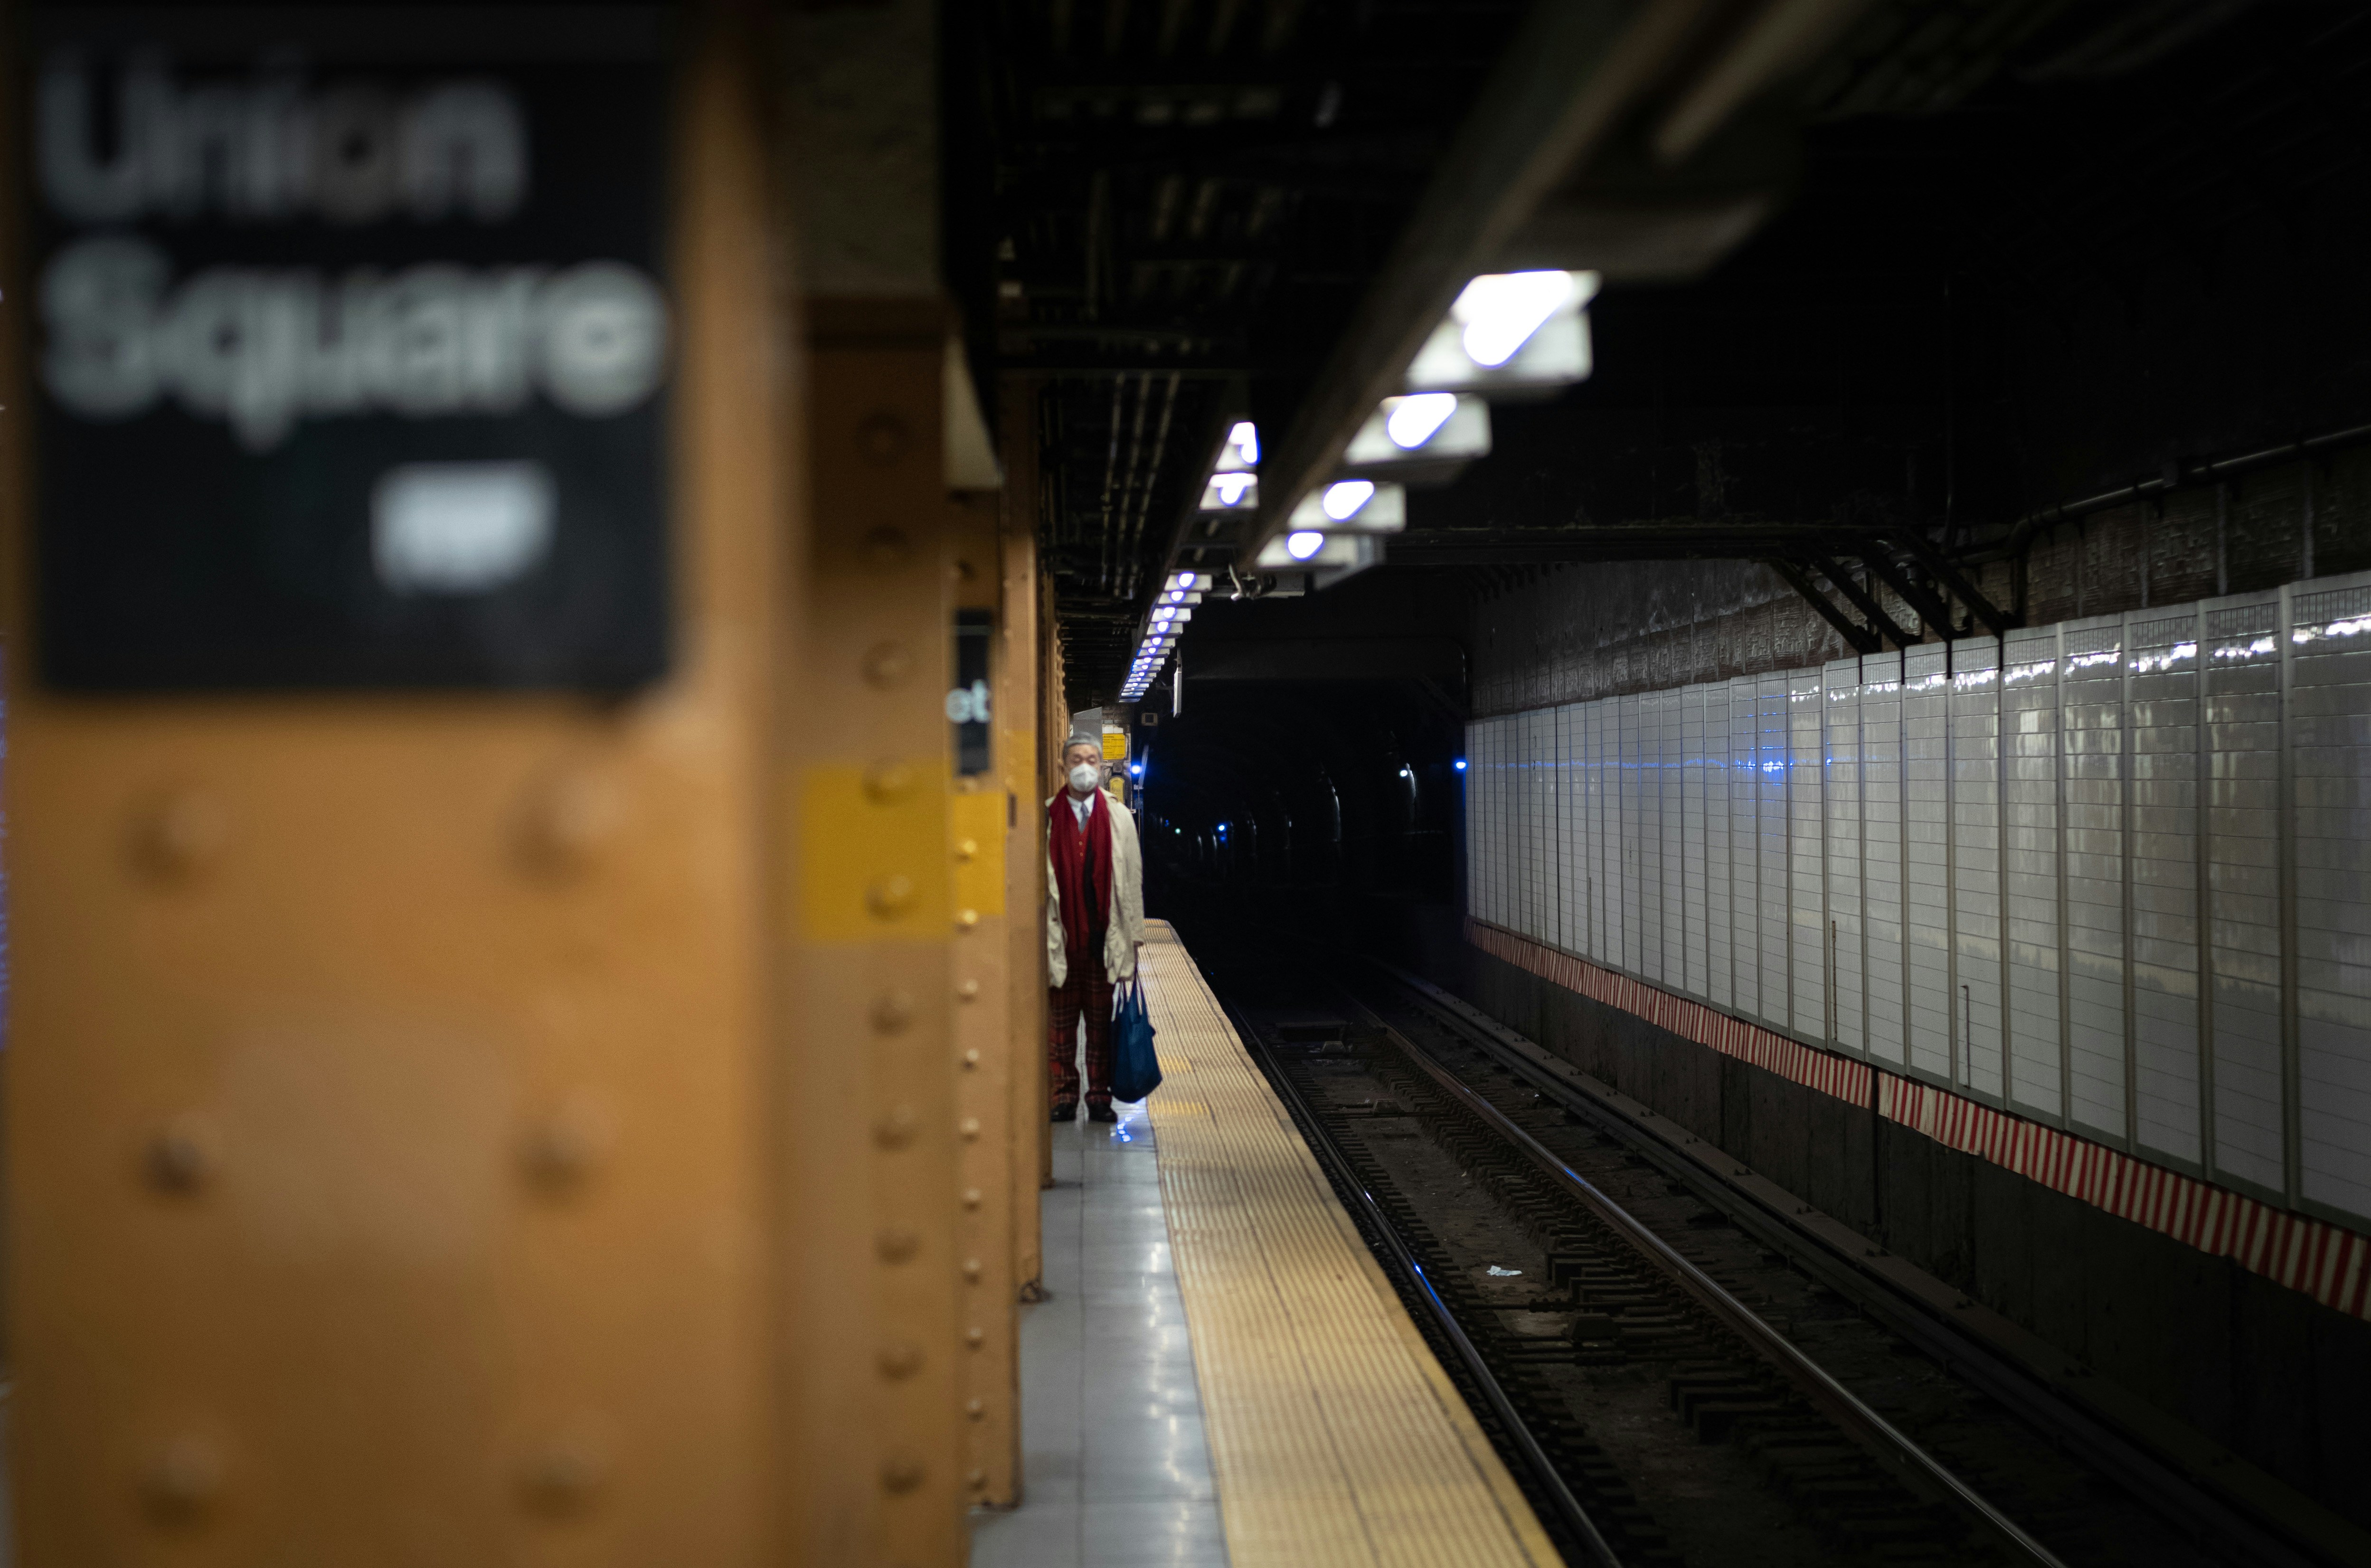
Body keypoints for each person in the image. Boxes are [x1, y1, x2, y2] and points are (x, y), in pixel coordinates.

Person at [1046, 734, 1145, 1123]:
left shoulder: (1119, 817)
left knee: (1102, 1027)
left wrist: (1134, 939)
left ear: (1102, 767)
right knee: (1061, 1028)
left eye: (1091, 760)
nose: (1084, 767)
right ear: (1063, 766)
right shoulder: (1048, 815)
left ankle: (1099, 1097)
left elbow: (1132, 880)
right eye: (1076, 759)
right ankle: (1064, 1095)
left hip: (1105, 940)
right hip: (1063, 941)